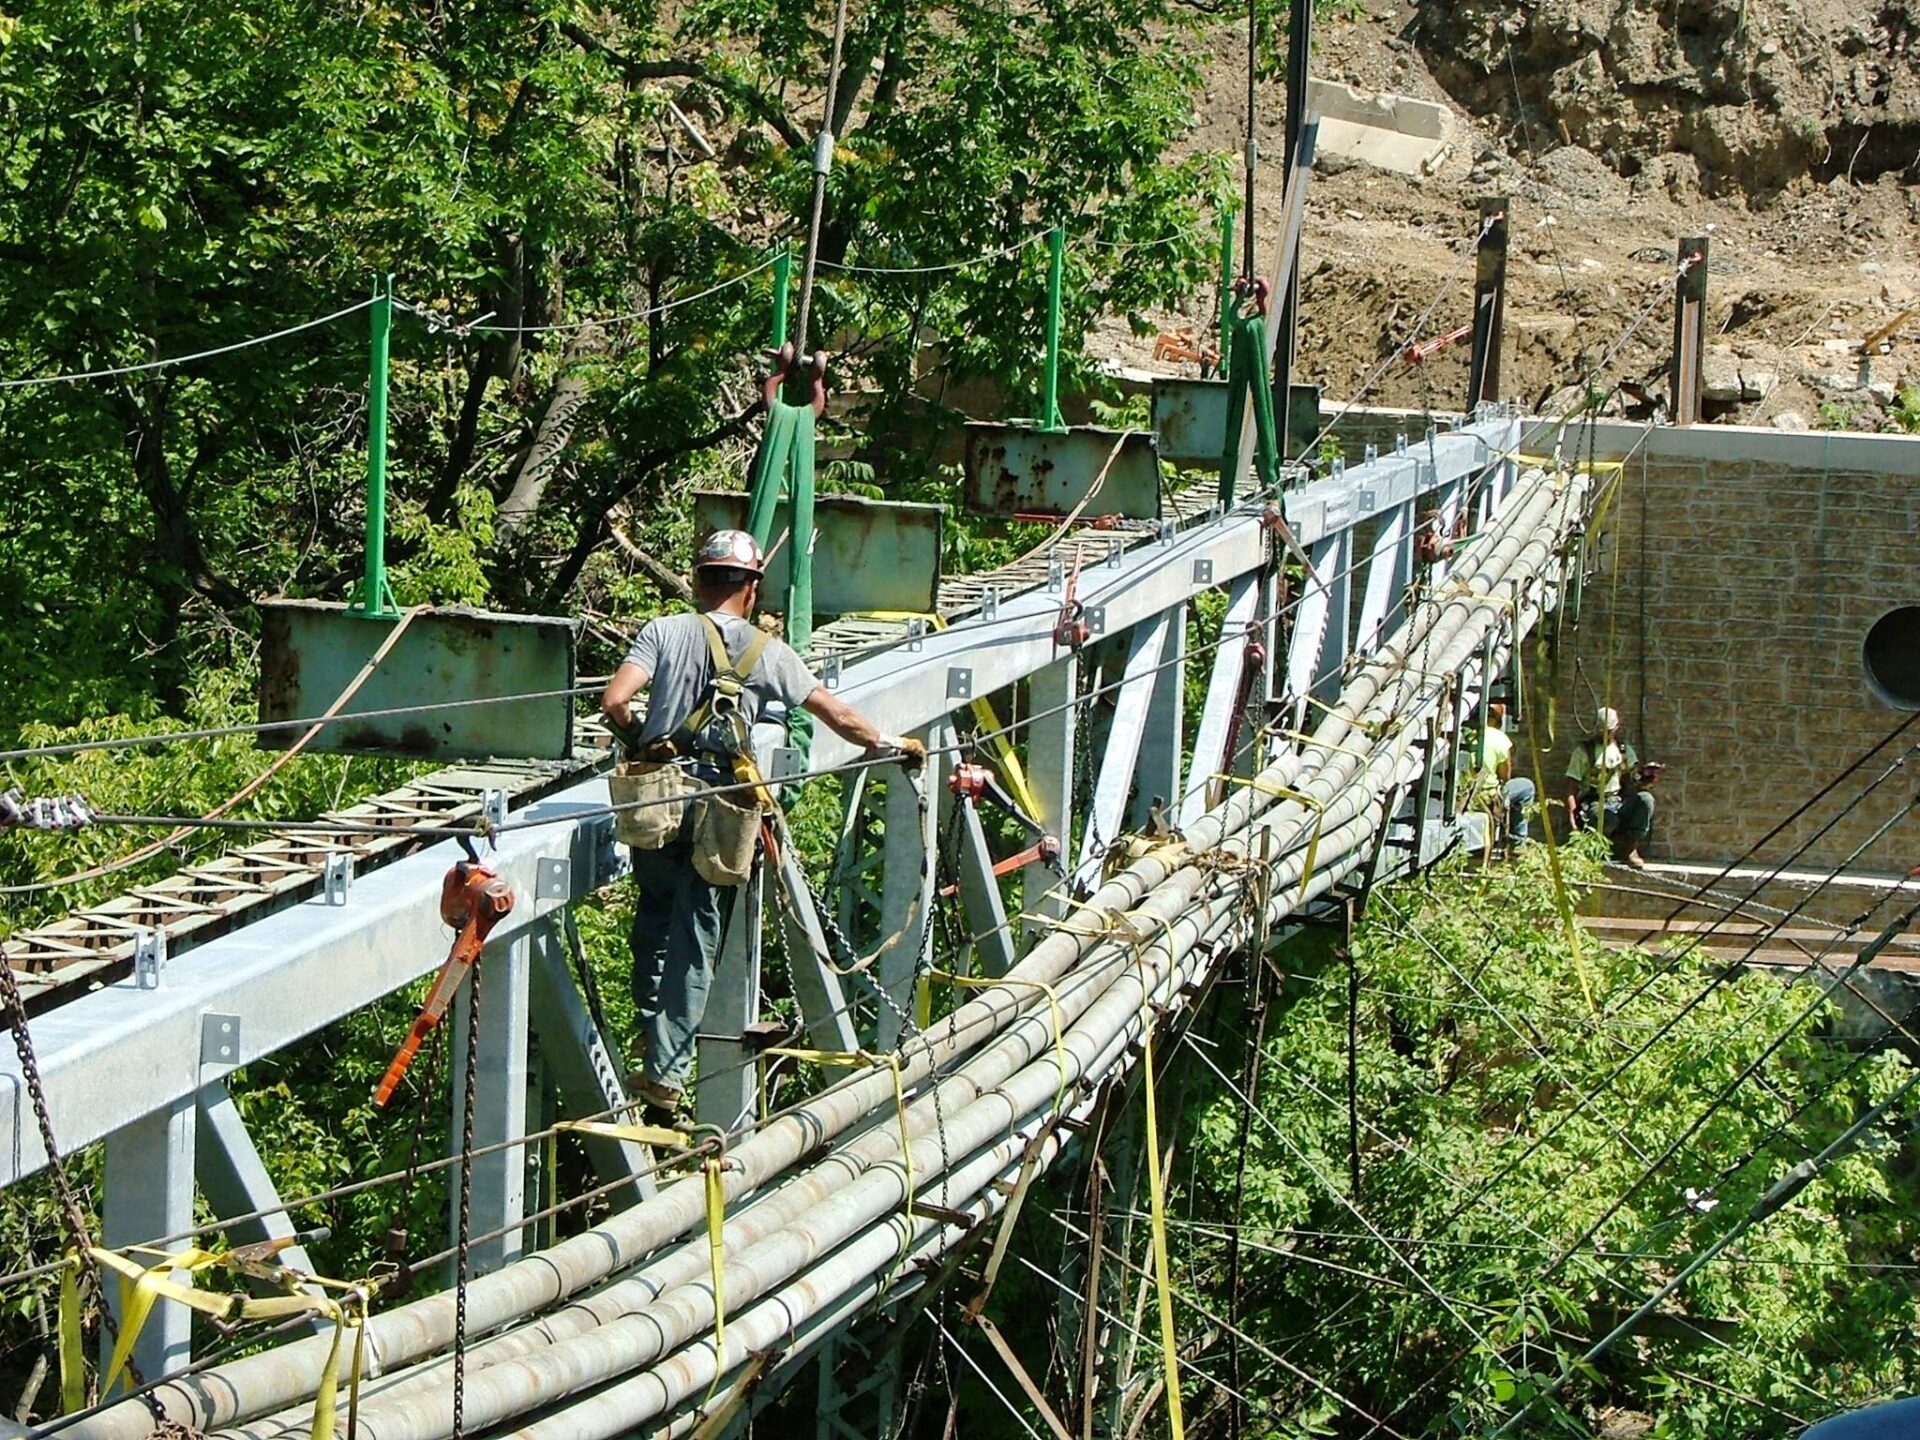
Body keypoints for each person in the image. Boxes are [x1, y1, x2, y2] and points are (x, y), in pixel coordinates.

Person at [600, 529, 919, 1122]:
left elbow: (615, 700)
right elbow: (836, 715)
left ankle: (652, 1035)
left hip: (659, 799)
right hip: (721, 806)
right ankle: (666, 1075)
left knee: (654, 923)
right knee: (695, 940)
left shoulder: (663, 633)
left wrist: (647, 742)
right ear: (751, 590)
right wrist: (888, 742)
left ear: (698, 582)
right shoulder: (768, 653)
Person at [1563, 705, 1658, 868]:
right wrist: (1572, 817)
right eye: (1601, 730)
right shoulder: (1585, 751)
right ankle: (1598, 850)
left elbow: (1634, 779)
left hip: (1619, 800)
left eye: (1608, 730)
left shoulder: (1623, 750)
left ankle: (1630, 850)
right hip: (1594, 802)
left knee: (1646, 800)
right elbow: (1572, 786)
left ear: (1616, 729)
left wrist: (1647, 778)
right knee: (1607, 817)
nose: (1604, 734)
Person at [1475, 701, 1534, 843]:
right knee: (1527, 787)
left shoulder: (1466, 732)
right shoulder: (1499, 738)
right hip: (1487, 794)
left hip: (1466, 795)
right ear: (1497, 719)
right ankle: (1517, 840)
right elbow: (1505, 776)